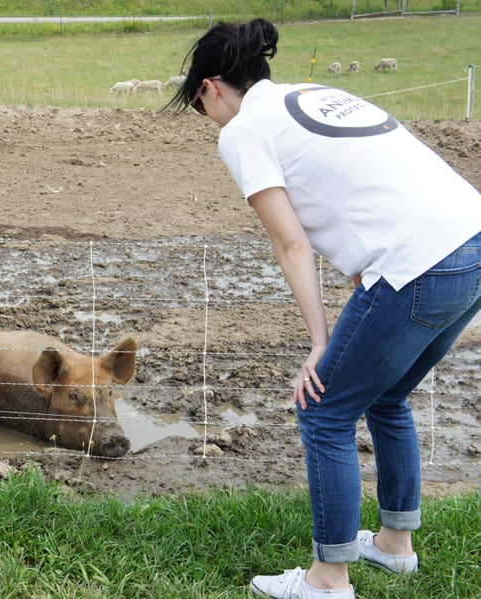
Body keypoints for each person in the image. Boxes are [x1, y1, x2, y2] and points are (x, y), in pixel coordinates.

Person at [165, 18, 481, 599]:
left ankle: (328, 580)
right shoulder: (313, 95)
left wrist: (319, 344)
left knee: (323, 411)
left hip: (421, 263)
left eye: (198, 104)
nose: (205, 117)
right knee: (387, 395)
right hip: (472, 243)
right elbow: (367, 184)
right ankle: (393, 545)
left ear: (211, 86)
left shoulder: (242, 131)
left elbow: (292, 243)